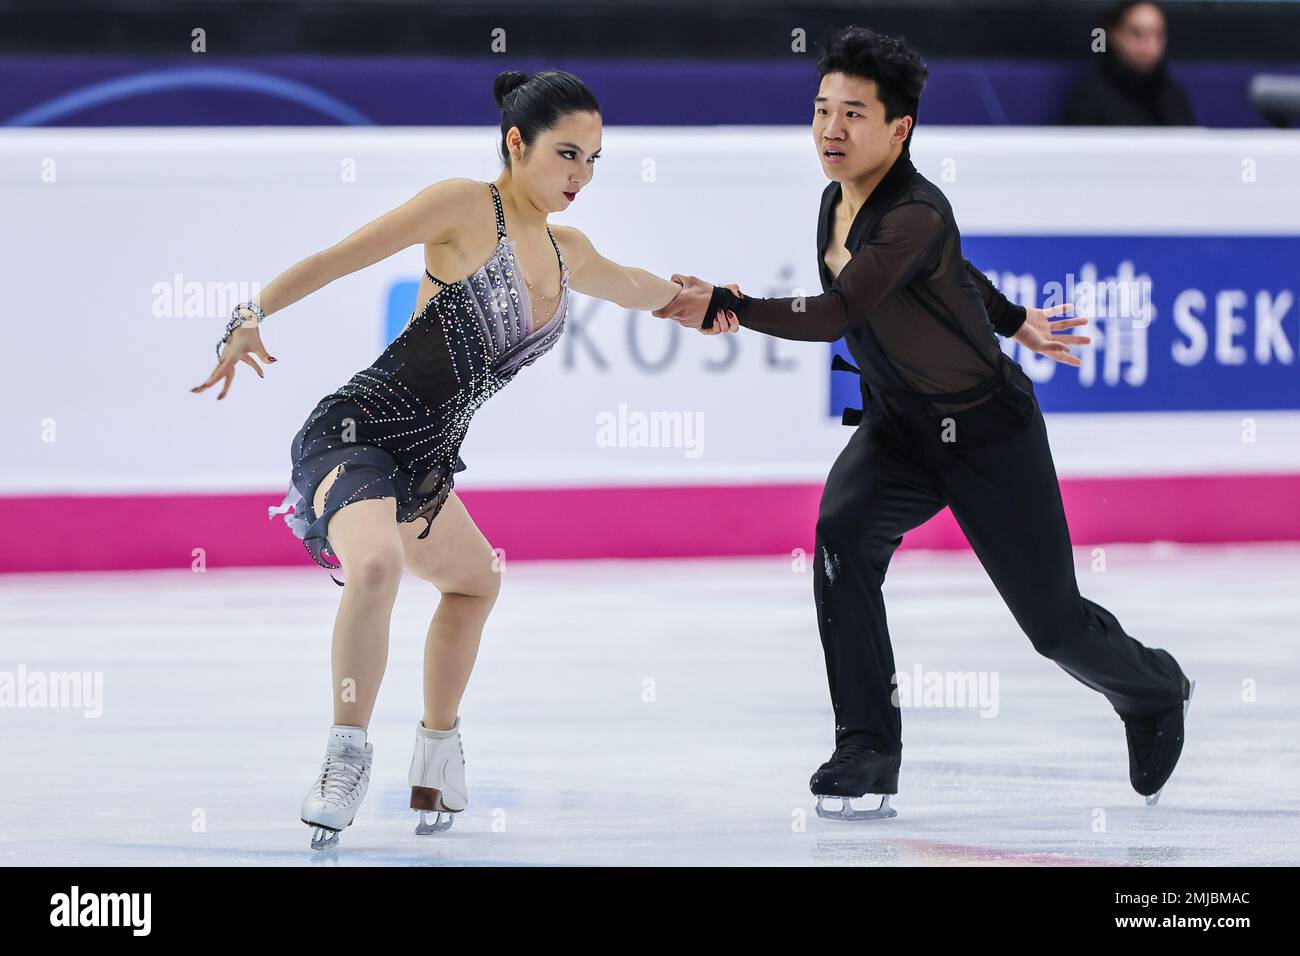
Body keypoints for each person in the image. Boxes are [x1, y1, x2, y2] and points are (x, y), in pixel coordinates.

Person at [655, 27, 1193, 820]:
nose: (830, 129)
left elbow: (842, 309)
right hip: (899, 428)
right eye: (822, 109)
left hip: (987, 435)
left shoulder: (915, 212)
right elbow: (957, 273)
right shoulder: (836, 201)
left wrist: (729, 303)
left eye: (854, 115)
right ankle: (867, 747)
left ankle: (1153, 689)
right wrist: (1014, 319)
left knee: (1055, 629)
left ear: (899, 129)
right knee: (841, 540)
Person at [190, 69, 736, 849]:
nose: (580, 176)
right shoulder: (463, 207)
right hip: (356, 434)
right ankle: (346, 754)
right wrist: (248, 315)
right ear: (517, 144)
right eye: (566, 155)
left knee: (476, 582)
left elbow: (641, 287)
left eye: (594, 160)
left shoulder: (566, 248)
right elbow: (343, 256)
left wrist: (715, 303)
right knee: (375, 567)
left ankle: (435, 756)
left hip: (426, 461)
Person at [1064, 1, 1196, 126]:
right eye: (1137, 34)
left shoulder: (1174, 98)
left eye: (1157, 35)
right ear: (1114, 35)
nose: (1149, 46)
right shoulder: (1090, 99)